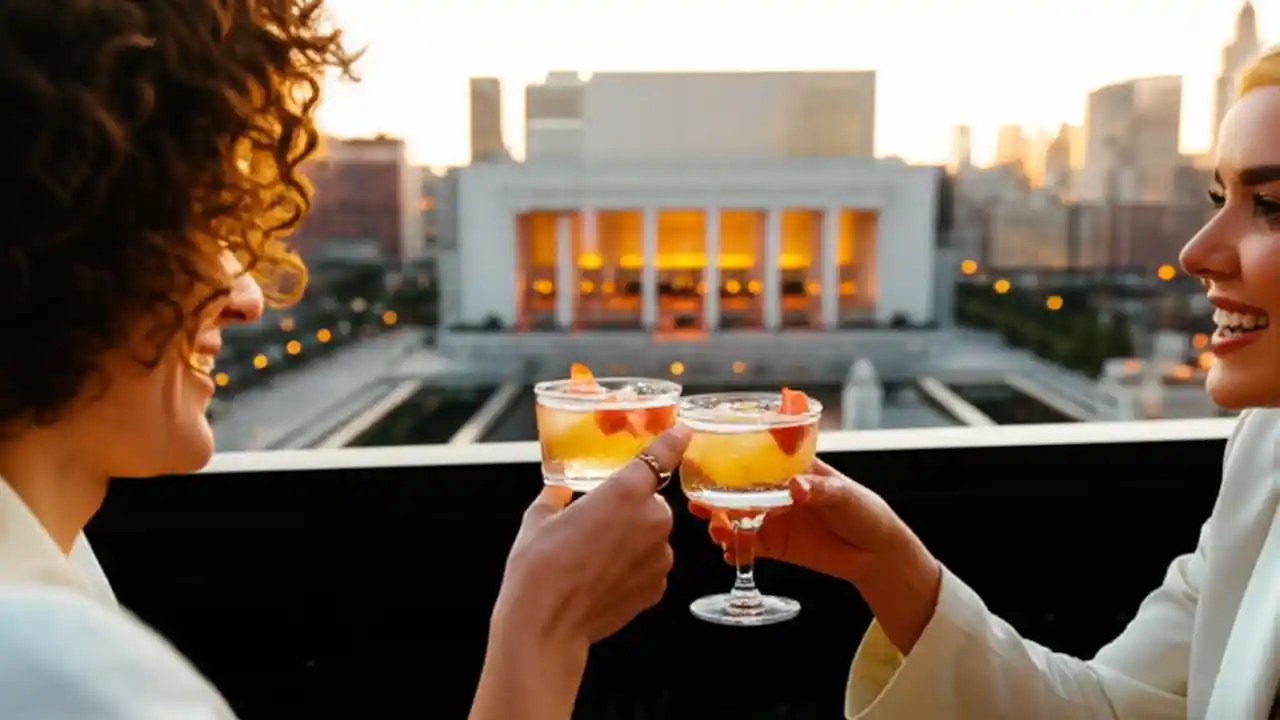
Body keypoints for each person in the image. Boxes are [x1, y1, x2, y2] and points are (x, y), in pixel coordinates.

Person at [0, 2, 683, 718]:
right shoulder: (60, 666)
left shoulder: (57, 567)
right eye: (198, 227)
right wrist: (547, 630)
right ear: (68, 244)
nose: (247, 297)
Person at [692, 46, 1280, 720]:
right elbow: (1111, 708)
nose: (1196, 253)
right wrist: (894, 569)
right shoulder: (1264, 454)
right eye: (1218, 198)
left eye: (1270, 204)